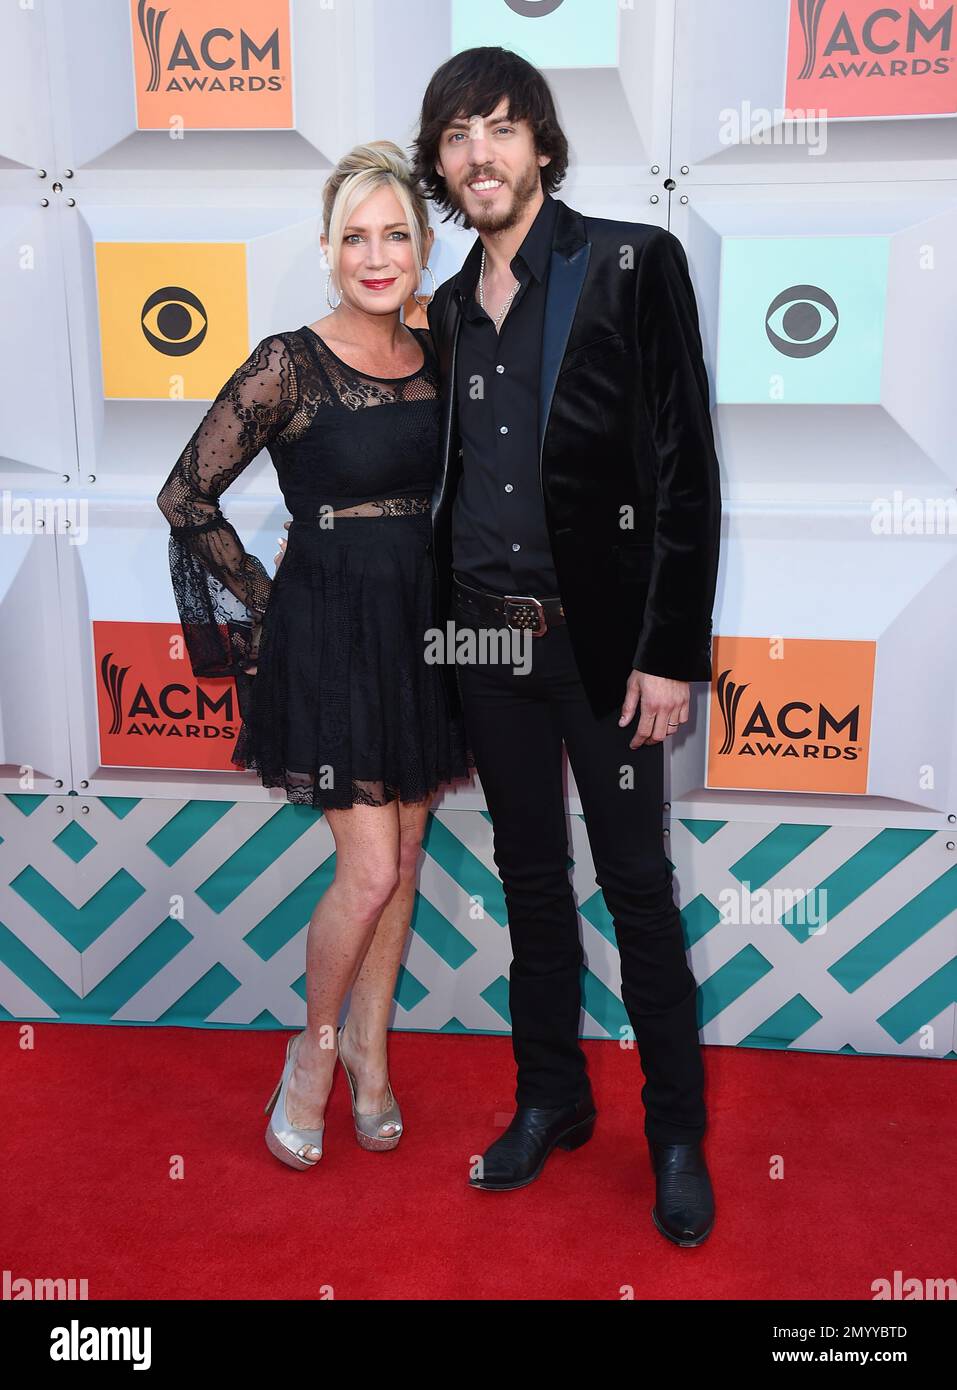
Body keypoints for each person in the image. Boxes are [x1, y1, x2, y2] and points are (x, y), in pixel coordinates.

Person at [412, 48, 722, 1245]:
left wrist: (668, 651)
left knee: (637, 887)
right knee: (531, 886)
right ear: (441, 162)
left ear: (541, 141)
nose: (479, 152)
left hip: (606, 659)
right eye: (455, 135)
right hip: (487, 651)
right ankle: (551, 1098)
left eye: (499, 127)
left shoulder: (633, 262)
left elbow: (686, 466)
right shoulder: (443, 311)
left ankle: (677, 1131)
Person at [156, 141, 472, 1172]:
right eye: (355, 237)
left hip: (420, 631)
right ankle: (314, 1053)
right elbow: (185, 495)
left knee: (409, 857)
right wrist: (270, 600)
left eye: (396, 235)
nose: (375, 256)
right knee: (370, 864)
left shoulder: (442, 349)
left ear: (423, 247)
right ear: (328, 249)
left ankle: (374, 1060)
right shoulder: (287, 361)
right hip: (331, 637)